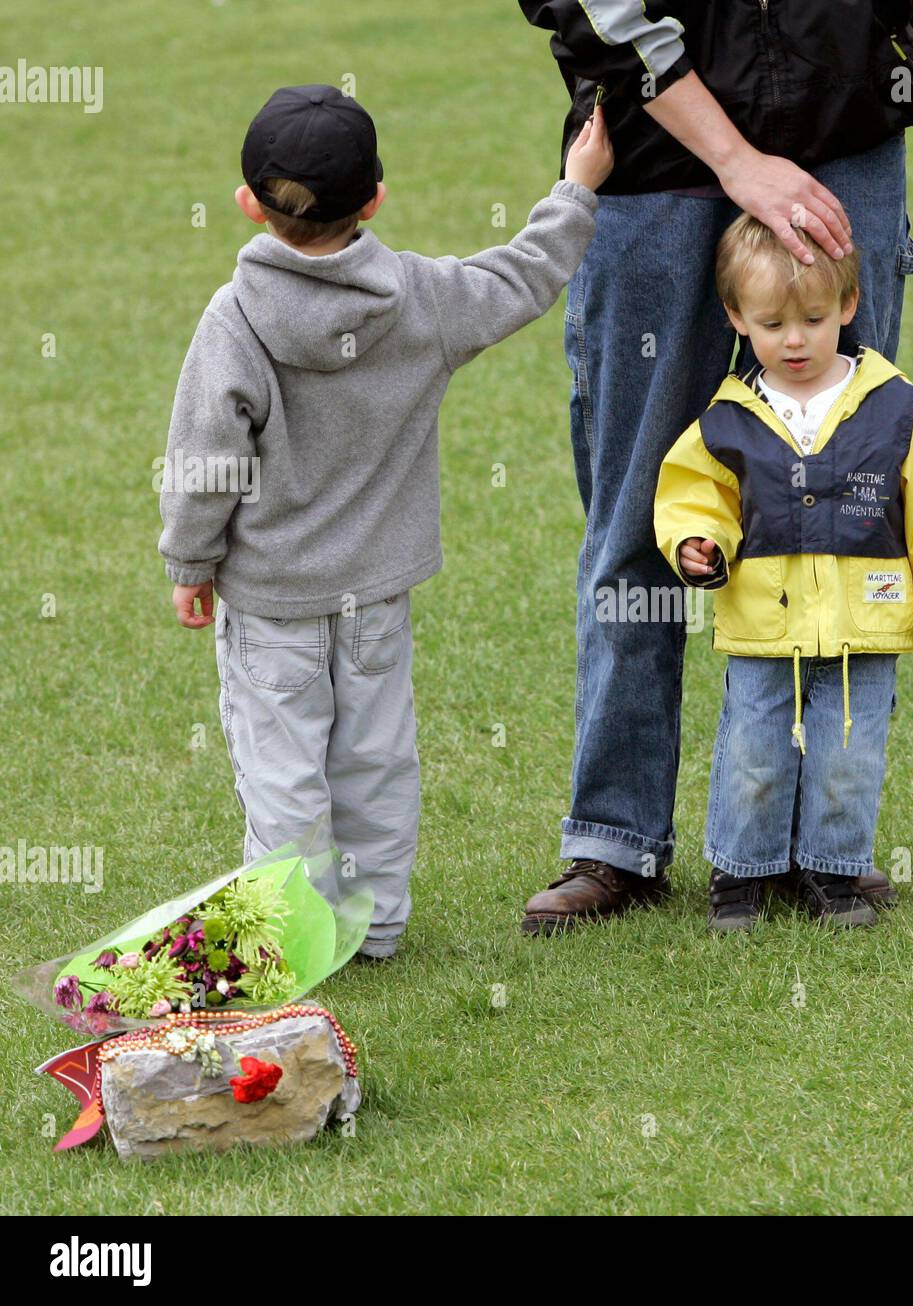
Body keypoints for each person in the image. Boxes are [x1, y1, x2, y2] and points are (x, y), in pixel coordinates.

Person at [518, 0, 913, 935]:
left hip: (843, 147)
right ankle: (615, 843)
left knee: (849, 516)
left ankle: (815, 849)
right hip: (657, 165)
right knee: (636, 526)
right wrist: (739, 163)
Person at [158, 84, 613, 957]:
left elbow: (204, 458)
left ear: (249, 203)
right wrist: (575, 186)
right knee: (374, 761)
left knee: (284, 772)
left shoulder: (236, 317)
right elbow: (523, 277)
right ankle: (376, 933)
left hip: (272, 600)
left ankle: (292, 938)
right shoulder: (421, 298)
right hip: (379, 596)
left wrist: (190, 560)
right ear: (374, 199)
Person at [654, 215, 913, 931]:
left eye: (814, 319)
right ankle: (741, 873)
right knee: (754, 753)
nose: (795, 340)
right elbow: (692, 494)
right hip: (765, 623)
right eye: (772, 323)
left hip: (869, 623)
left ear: (849, 306)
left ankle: (833, 870)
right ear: (736, 318)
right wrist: (697, 541)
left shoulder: (896, 407)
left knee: (850, 756)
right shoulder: (727, 418)